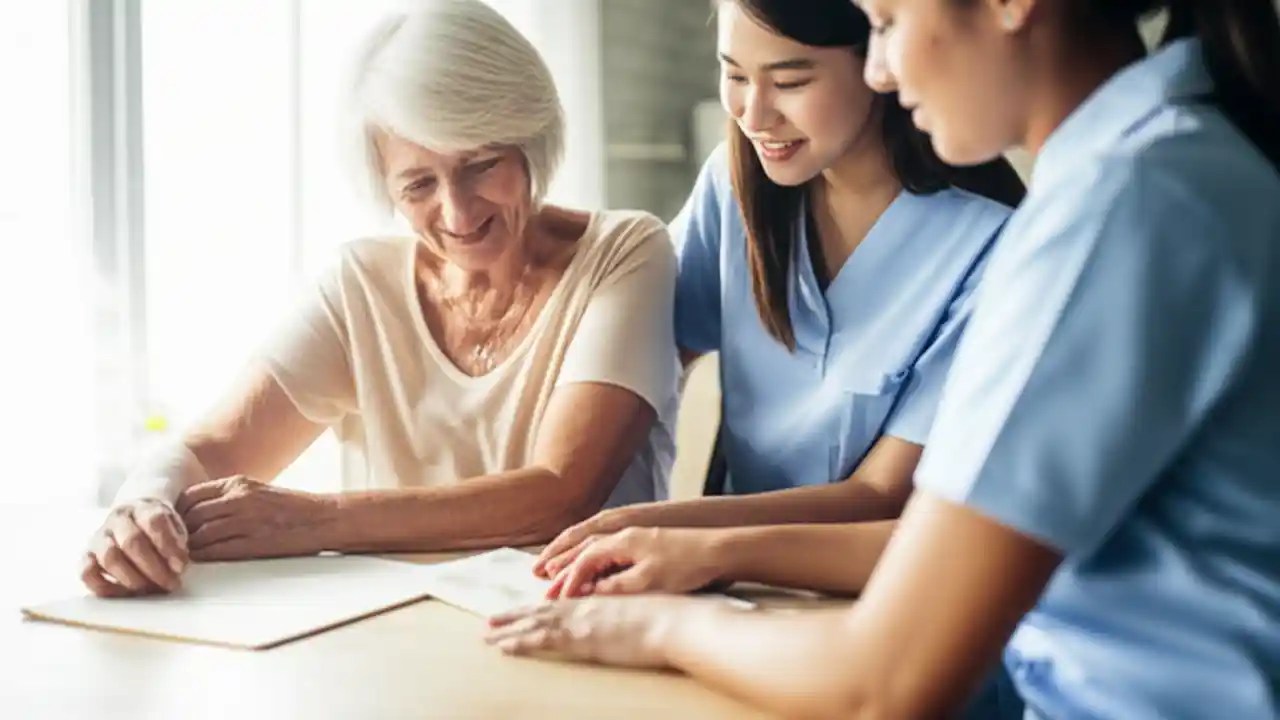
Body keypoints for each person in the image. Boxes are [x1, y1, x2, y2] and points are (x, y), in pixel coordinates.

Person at [490, 1, 1280, 718]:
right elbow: (955, 537)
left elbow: (886, 681)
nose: (879, 70)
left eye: (891, 21)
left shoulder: (1122, 209)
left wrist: (659, 626)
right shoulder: (1167, 165)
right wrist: (700, 548)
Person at [80, 0, 678, 598]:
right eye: (419, 184)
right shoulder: (362, 284)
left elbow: (559, 494)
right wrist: (142, 503)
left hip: (587, 628)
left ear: (530, 138)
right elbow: (209, 452)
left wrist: (316, 521)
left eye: (481, 164)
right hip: (393, 635)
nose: (458, 211)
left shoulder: (625, 252)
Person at [532, 0, 1023, 600]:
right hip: (718, 580)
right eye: (734, 75)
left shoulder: (991, 247)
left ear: (880, 62)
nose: (753, 114)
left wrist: (649, 527)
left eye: (790, 81)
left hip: (874, 602)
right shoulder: (732, 186)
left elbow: (880, 496)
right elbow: (637, 357)